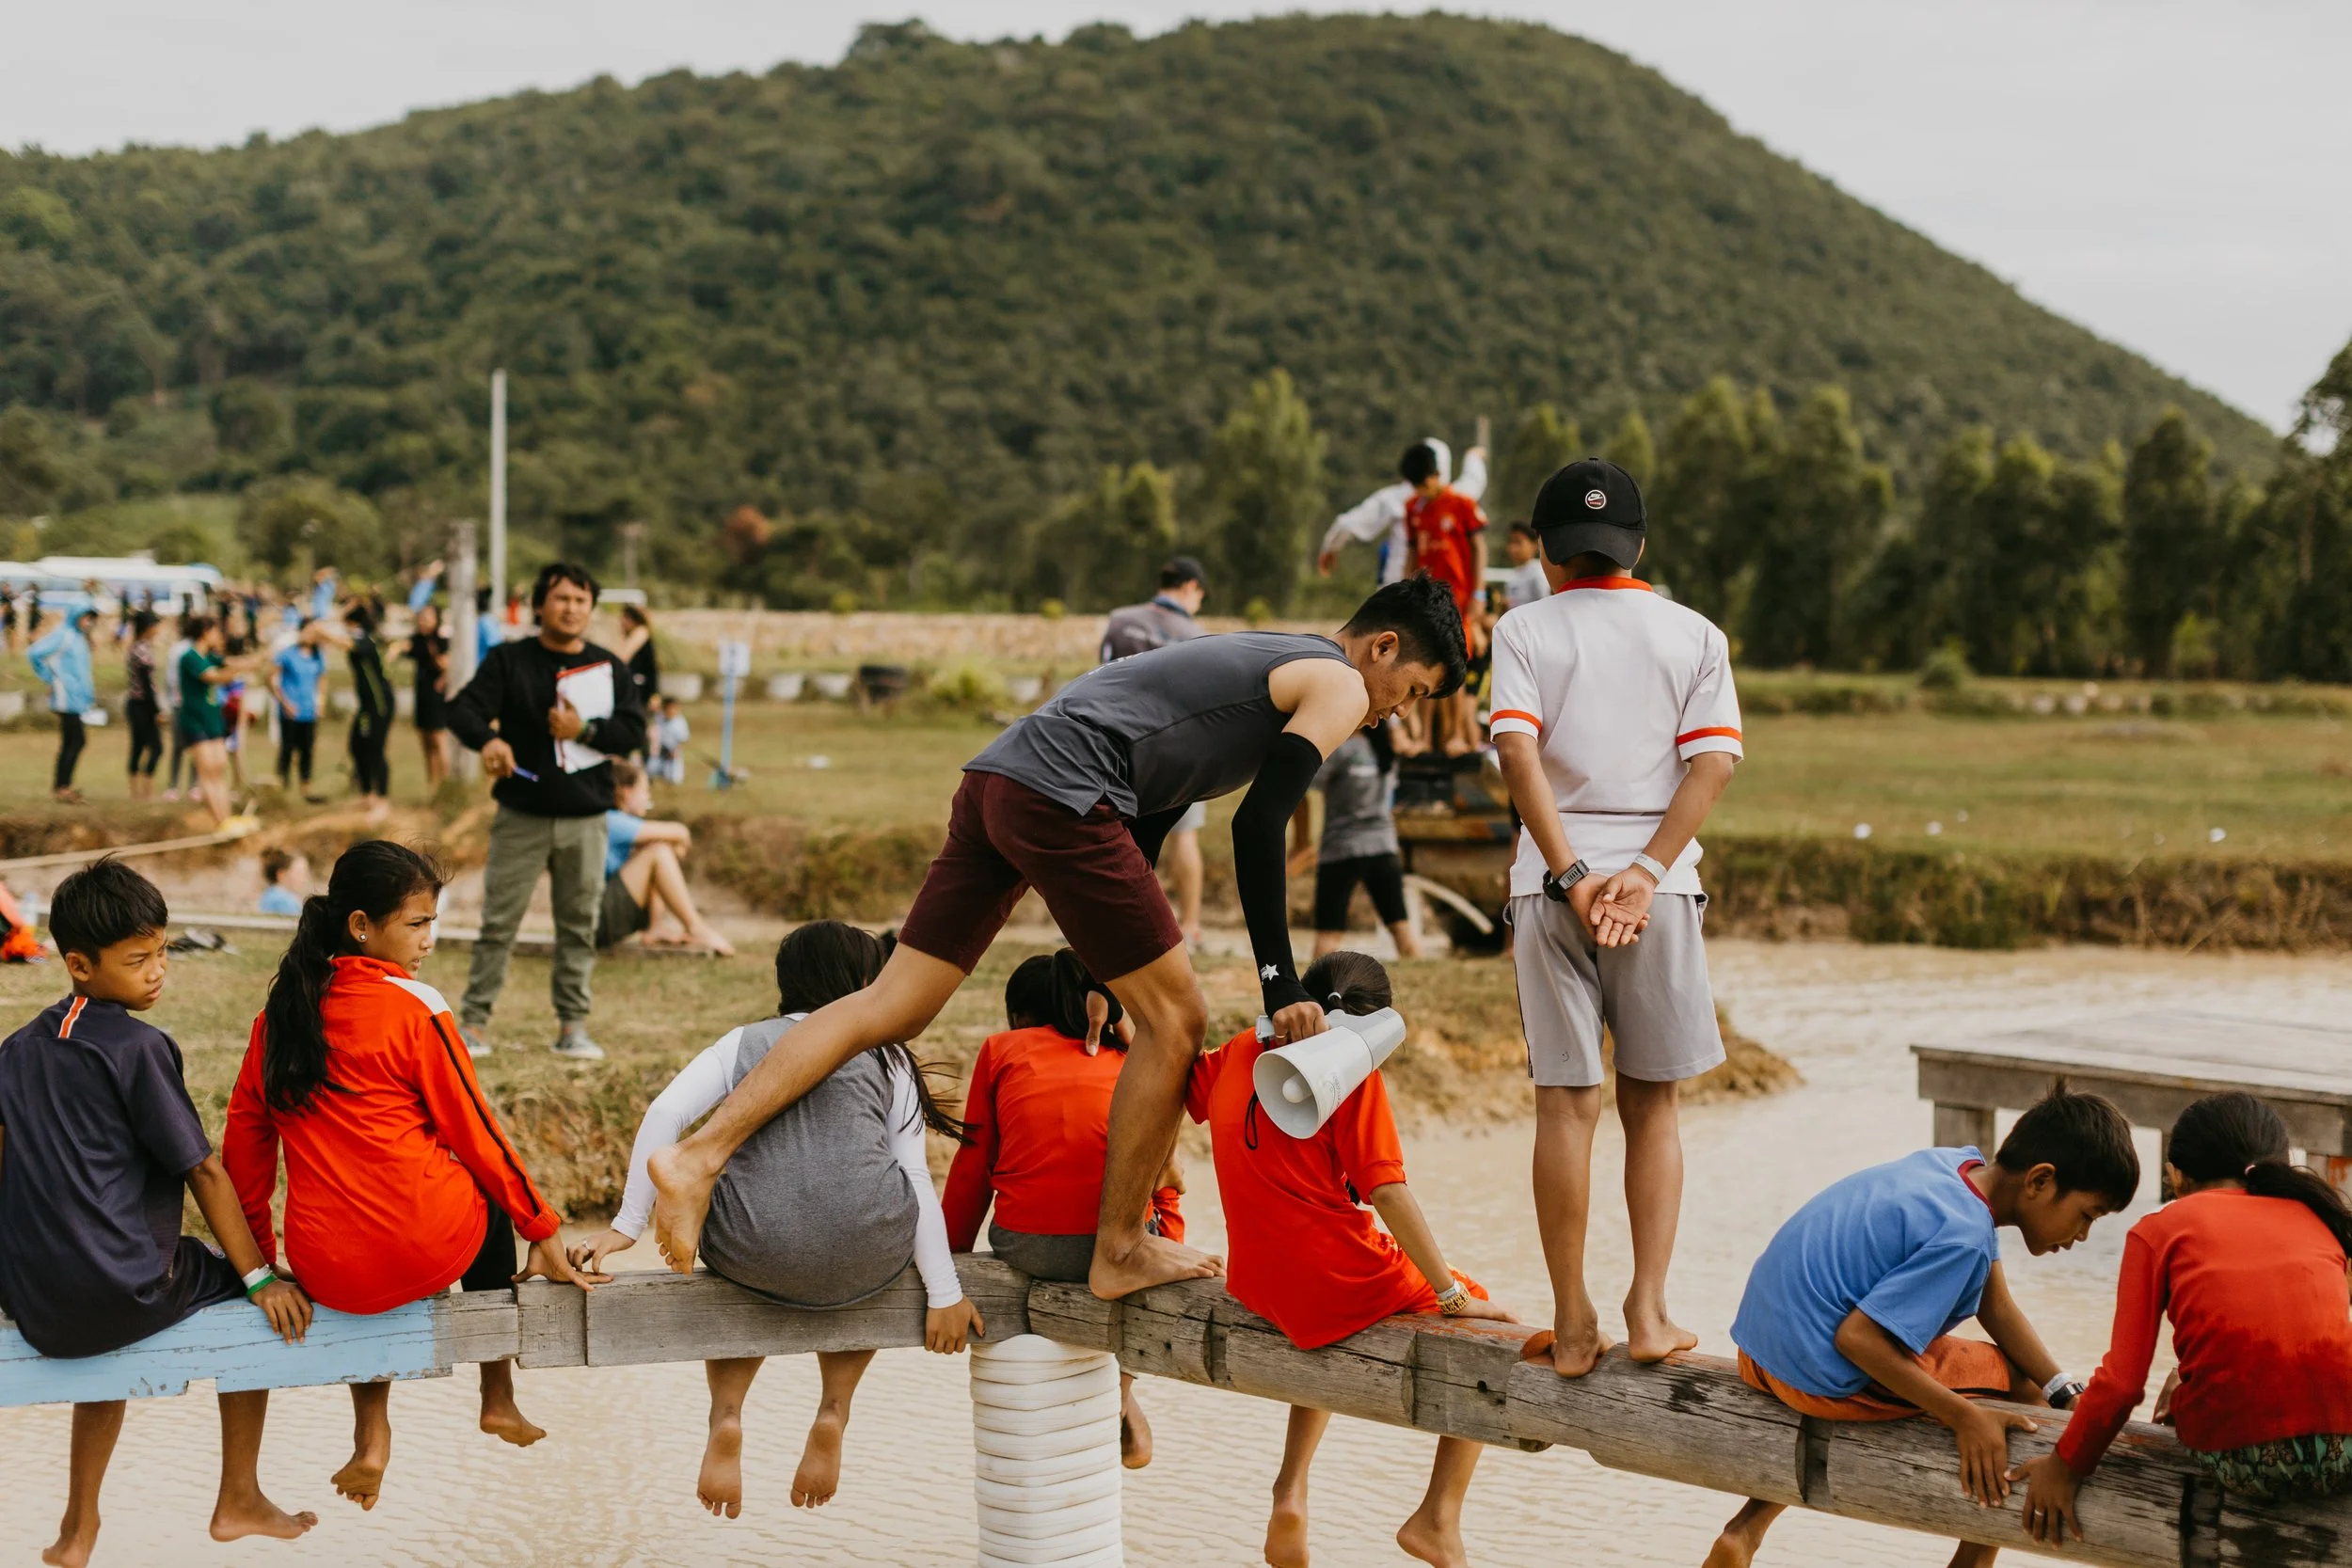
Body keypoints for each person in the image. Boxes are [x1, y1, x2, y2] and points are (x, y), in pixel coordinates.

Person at [644, 578, 1469, 1301]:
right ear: (1383, 647)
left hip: (1001, 778)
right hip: (1068, 793)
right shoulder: (1339, 682)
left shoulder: (1263, 653)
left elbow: (1155, 804)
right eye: (1414, 689)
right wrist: (1280, 982)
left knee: (891, 1005)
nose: (1397, 711)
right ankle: (1120, 1246)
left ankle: (699, 1156)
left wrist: (1105, 962)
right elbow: (1260, 827)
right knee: (1179, 1021)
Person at [564, 923, 980, 1518]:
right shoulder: (889, 1056)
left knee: (739, 1240)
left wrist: (627, 1226)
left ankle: (726, 1416)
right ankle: (834, 1410)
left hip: (756, 1249)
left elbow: (664, 1114)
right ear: (864, 982)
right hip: (865, 1255)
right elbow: (914, 1176)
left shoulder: (745, 1042)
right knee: (867, 1233)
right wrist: (945, 1292)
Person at [224, 841, 591, 1512]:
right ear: (361, 925)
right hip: (422, 1246)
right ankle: (498, 1394)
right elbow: (476, 1131)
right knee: (475, 1192)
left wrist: (260, 1268)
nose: (429, 939)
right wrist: (541, 1225)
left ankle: (371, 1435)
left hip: (326, 1269)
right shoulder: (416, 1005)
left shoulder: (276, 1019)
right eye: (418, 923)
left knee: (368, 1233)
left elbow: (244, 1152)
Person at [1488, 457, 1743, 1382]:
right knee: (1653, 1102)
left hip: (1550, 884)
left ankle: (1571, 1318)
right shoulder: (1695, 633)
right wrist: (1641, 871)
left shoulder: (1522, 627)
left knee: (1564, 1103)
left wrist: (1570, 874)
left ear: (1545, 553)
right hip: (1656, 891)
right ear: (1639, 545)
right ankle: (1648, 1307)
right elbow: (1711, 764)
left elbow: (1517, 754)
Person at [0, 859, 317, 1563]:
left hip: (33, 1299)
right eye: (138, 960)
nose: (158, 971)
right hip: (123, 1290)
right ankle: (239, 1495)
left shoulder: (14, 1050)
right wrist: (260, 1277)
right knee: (247, 1288)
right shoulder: (139, 1048)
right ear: (79, 966)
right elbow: (202, 1168)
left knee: (104, 1285)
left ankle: (78, 1528)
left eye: (162, 951)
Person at [1707, 1083, 2140, 1568]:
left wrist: (2064, 1389)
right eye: (2086, 1216)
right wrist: (1965, 1417)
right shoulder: (1965, 1236)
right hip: (1816, 1373)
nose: (2082, 1236)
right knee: (2023, 1393)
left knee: (2010, 1374)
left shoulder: (1955, 1169)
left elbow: (1996, 1307)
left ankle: (1744, 1533)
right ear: (2040, 1181)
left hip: (1759, 1349)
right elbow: (1857, 1338)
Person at [1186, 949, 1515, 1567]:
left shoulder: (1239, 1050)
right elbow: (1386, 1189)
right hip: (1336, 1280)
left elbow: (1183, 1087)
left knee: (1325, 1321)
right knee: (1484, 1315)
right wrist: (1449, 1294)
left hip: (1257, 1281)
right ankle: (1438, 1517)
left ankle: (1291, 1487)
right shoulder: (1352, 1072)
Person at [2014, 1092, 2352, 1542]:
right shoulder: (2321, 1218)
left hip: (2245, 1461)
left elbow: (2122, 1385)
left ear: (2175, 1176)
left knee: (2181, 1388)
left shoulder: (2159, 1230)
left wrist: (2064, 1467)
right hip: (2345, 1451)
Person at [942, 948, 1183, 1468]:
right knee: (1159, 1201)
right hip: (1122, 1252)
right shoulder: (1131, 1057)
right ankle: (1122, 1390)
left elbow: (973, 1165)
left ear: (1021, 1015)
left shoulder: (1001, 1049)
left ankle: (1110, 1398)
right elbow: (1164, 1176)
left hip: (1027, 1247)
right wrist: (1164, 1249)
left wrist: (950, 1262)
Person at [444, 562, 649, 1061]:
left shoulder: (608, 667)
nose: (571, 609)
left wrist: (585, 731)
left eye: (581, 601)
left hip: (587, 818)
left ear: (591, 608)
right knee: (499, 922)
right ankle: (474, 1024)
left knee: (579, 925)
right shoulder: (509, 660)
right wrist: (489, 740)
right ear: (539, 605)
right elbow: (462, 709)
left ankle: (572, 1027)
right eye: (561, 599)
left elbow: (633, 731)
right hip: (522, 814)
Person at [1099, 556, 1210, 947]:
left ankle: (1108, 922)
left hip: (1120, 747)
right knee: (1184, 837)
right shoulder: (1195, 634)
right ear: (1191, 587)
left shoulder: (1120, 620)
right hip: (1177, 750)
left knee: (1112, 837)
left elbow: (1103, 681)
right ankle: (1190, 927)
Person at [1288, 720, 1419, 958]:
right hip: (1383, 846)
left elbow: (1299, 783)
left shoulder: (1340, 751)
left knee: (1328, 935)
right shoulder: (1386, 748)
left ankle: (1319, 981)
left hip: (1340, 849)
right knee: (1400, 927)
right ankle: (1420, 975)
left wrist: (1301, 843)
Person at [1401, 443, 1489, 757]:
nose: (1421, 491)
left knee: (1455, 667)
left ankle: (1455, 736)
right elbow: (1412, 552)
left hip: (1459, 601)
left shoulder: (1462, 504)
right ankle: (1426, 738)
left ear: (1437, 475)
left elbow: (1479, 549)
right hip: (1427, 599)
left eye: (1424, 483)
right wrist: (1407, 589)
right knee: (1425, 665)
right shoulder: (1413, 508)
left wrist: (1479, 593)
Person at [596, 760, 735, 956]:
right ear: (625, 792)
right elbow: (680, 832)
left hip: (604, 916)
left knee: (655, 848)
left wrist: (673, 849)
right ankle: (696, 928)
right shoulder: (612, 820)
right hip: (597, 920)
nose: (648, 797)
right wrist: (673, 848)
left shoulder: (616, 822)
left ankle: (657, 927)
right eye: (644, 790)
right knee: (657, 852)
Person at [1317, 438, 1487, 586]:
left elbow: (1348, 524)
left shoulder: (1394, 497)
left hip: (1400, 586)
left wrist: (1330, 547)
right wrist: (1473, 458)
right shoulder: (1460, 495)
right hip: (1434, 589)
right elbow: (1474, 479)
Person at [176, 616, 262, 829]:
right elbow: (214, 677)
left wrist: (262, 657)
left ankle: (228, 819)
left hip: (213, 720)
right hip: (195, 721)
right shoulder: (189, 657)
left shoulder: (210, 656)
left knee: (219, 770)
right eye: (215, 631)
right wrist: (239, 672)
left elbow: (236, 663)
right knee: (207, 773)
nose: (219, 635)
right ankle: (220, 822)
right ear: (205, 632)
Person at [29, 603, 99, 803]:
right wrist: (50, 678)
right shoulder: (64, 635)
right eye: (86, 617)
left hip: (77, 699)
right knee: (77, 740)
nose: (88, 622)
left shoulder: (78, 637)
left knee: (72, 741)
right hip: (65, 697)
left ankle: (63, 786)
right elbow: (34, 653)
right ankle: (62, 787)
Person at [342, 602, 395, 811]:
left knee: (375, 749)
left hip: (379, 703)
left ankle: (382, 799)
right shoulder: (361, 636)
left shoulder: (365, 639)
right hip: (366, 705)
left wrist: (319, 632)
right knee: (357, 745)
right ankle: (367, 795)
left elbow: (350, 645)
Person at [269, 623, 329, 801]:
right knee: (287, 749)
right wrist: (284, 702)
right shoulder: (287, 654)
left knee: (307, 751)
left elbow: (322, 680)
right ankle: (281, 787)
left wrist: (321, 702)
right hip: (290, 711)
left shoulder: (318, 656)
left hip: (309, 711)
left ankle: (306, 788)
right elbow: (271, 678)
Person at [401, 600, 451, 788]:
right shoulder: (416, 640)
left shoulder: (441, 640)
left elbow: (446, 665)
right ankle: (433, 784)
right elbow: (403, 649)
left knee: (439, 740)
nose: (423, 621)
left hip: (437, 696)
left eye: (427, 617)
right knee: (426, 742)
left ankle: (445, 785)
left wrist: (434, 651)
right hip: (422, 693)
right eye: (421, 617)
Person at [123, 610, 166, 800]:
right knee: (152, 747)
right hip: (142, 704)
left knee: (141, 747)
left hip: (141, 704)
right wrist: (156, 711)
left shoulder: (140, 648)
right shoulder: (141, 650)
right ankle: (143, 792)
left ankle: (140, 792)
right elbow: (147, 686)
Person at [161, 614, 193, 801]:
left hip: (180, 703)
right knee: (185, 746)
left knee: (183, 747)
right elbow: (171, 680)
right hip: (182, 704)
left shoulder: (177, 650)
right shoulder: (181, 651)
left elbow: (169, 680)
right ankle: (186, 786)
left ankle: (178, 786)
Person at [615, 602, 660, 708]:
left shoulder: (641, 637)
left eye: (625, 619)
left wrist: (654, 694)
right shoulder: (629, 638)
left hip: (640, 692)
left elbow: (651, 668)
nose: (622, 623)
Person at [1498, 521, 1549, 610]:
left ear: (1534, 544)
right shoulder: (1515, 573)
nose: (1513, 548)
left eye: (1518, 542)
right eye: (1510, 542)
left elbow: (1545, 605)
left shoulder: (1539, 573)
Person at [650, 694, 691, 785]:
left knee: (674, 779)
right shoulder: (658, 718)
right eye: (668, 708)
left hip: (672, 753)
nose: (670, 711)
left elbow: (683, 739)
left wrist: (675, 751)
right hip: (658, 752)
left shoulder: (680, 722)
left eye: (673, 708)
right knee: (651, 769)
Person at [257, 847, 310, 916]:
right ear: (282, 874)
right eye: (299, 873)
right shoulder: (284, 901)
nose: (304, 879)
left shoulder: (269, 894)